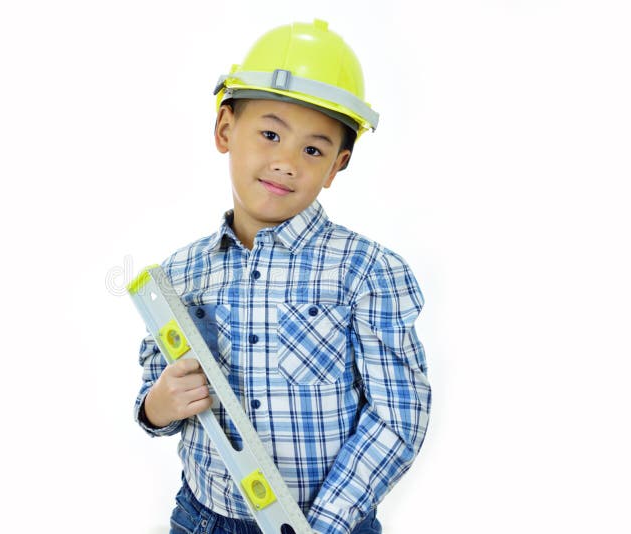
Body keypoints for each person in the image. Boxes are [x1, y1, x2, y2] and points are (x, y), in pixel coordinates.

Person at [134, 19, 431, 534]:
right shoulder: (180, 273)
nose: (286, 162)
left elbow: (398, 417)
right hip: (203, 519)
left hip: (324, 525)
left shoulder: (366, 272)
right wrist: (156, 407)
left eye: (312, 150)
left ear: (336, 166)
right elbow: (153, 384)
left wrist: (323, 523)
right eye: (270, 134)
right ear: (225, 129)